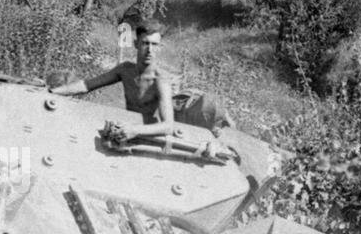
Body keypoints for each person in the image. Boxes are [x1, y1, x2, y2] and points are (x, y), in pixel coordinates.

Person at [49, 14, 227, 142]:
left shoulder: (160, 81)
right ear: (136, 44)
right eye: (145, 44)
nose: (149, 50)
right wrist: (53, 92)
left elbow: (168, 126)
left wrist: (135, 130)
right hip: (127, 129)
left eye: (154, 45)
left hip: (148, 135)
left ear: (160, 47)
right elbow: (87, 85)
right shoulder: (125, 70)